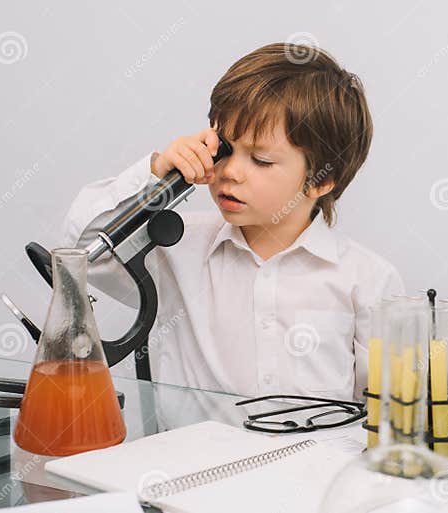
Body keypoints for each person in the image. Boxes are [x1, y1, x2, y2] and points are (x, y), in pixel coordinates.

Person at [61, 42, 404, 401]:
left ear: (321, 179)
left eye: (260, 160)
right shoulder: (176, 249)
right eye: (224, 149)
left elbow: (387, 409)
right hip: (193, 457)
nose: (231, 172)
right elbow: (79, 250)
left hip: (319, 456)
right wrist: (155, 175)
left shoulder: (368, 280)